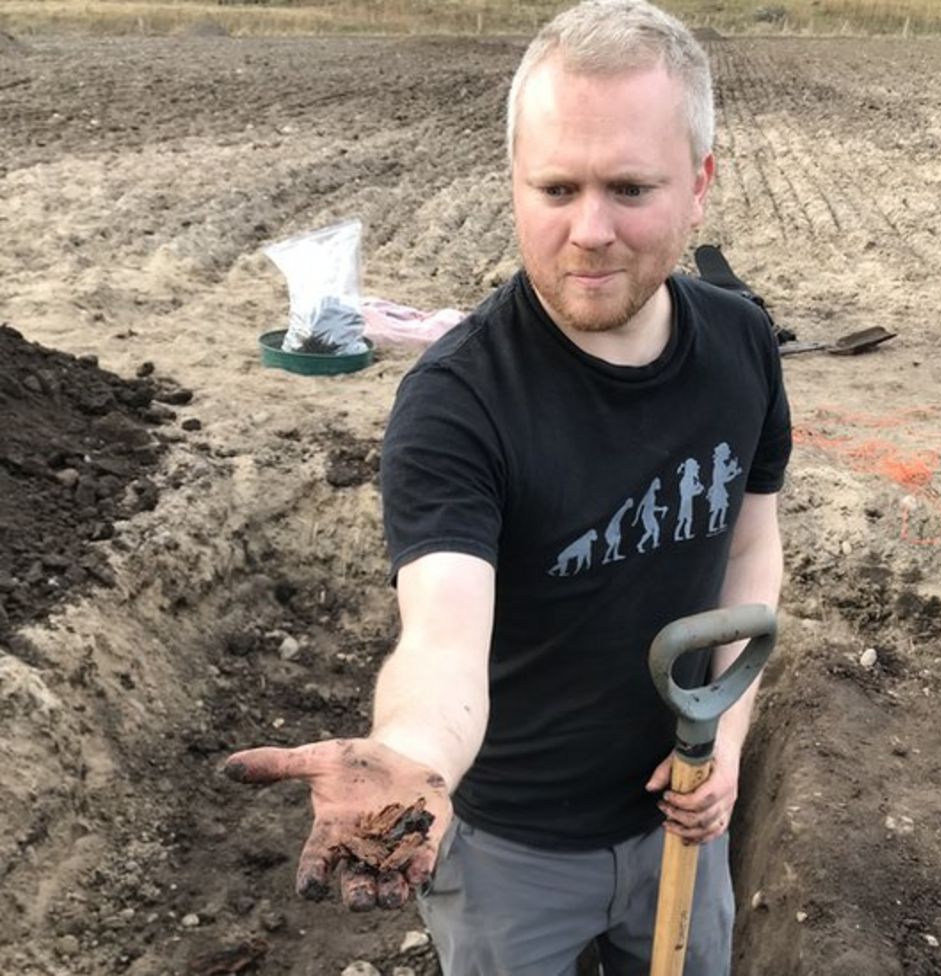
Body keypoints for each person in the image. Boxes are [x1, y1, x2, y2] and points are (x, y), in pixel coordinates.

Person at [224, 1, 792, 973]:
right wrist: (410, 757)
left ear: (699, 184)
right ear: (514, 183)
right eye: (556, 186)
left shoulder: (739, 344)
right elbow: (442, 635)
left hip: (685, 822)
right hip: (508, 861)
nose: (590, 229)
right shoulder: (457, 403)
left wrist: (728, 735)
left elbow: (749, 545)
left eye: (629, 187)